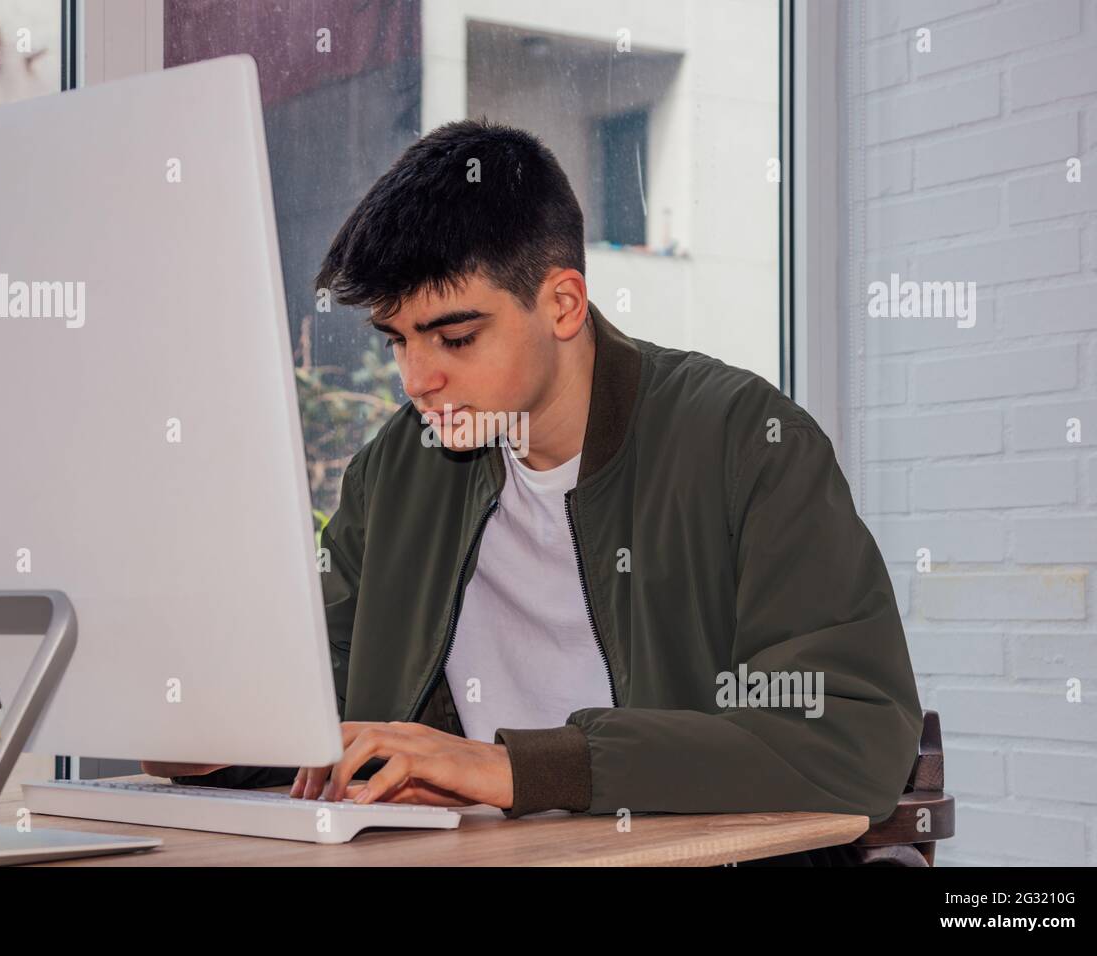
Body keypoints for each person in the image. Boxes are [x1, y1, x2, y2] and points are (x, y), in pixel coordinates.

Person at [143, 118, 923, 863]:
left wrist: (514, 769)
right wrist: (216, 738)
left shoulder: (744, 442)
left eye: (455, 338)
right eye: (398, 341)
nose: (417, 380)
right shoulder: (397, 471)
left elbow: (846, 737)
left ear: (561, 303)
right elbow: (319, 700)